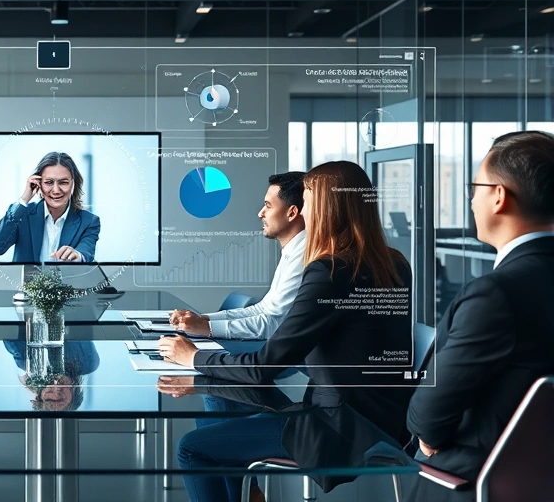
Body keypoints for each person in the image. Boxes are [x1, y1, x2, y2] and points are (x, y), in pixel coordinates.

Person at [159, 161, 414, 502]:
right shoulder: (394, 262)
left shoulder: (330, 270)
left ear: (325, 208)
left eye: (307, 202)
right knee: (219, 395)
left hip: (336, 428)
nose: (304, 214)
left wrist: (194, 358)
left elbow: (268, 364)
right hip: (384, 421)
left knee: (192, 449)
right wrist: (204, 372)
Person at [405, 131, 554, 502]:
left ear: (499, 196)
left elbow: (427, 419)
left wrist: (428, 437)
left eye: (476, 187)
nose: (472, 198)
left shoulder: (497, 293)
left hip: (483, 479)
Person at [170, 172, 307, 339]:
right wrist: (201, 320)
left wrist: (206, 327)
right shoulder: (293, 250)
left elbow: (274, 323)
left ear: (291, 213)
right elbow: (262, 309)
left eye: (268, 206)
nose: (260, 213)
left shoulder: (303, 253)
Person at [0, 152, 100, 263]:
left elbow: (86, 254)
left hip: (68, 286)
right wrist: (24, 199)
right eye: (49, 182)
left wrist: (77, 256)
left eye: (63, 182)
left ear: (73, 184)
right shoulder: (22, 215)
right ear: (39, 184)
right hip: (27, 286)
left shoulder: (89, 221)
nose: (56, 190)